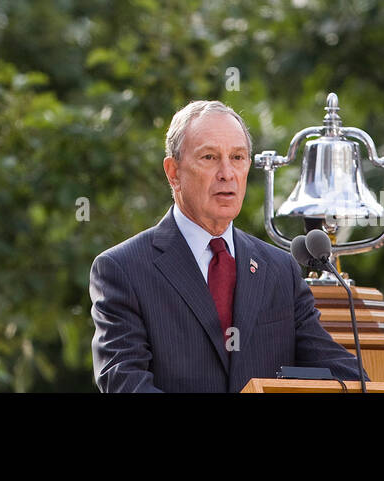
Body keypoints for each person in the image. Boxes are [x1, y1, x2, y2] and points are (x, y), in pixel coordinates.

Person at [89, 100, 364, 392]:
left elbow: (340, 373)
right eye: (209, 157)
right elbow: (125, 383)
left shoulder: (280, 270)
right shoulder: (122, 269)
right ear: (173, 173)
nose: (227, 173)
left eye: (237, 157)